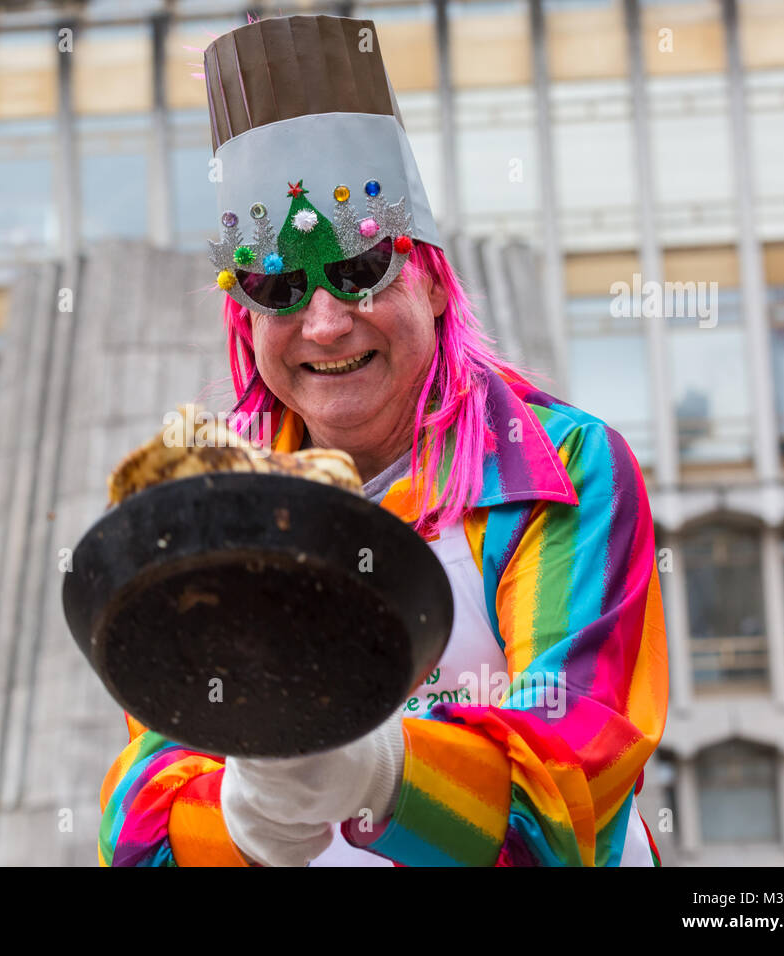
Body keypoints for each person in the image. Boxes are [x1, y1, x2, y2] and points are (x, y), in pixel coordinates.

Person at [98, 13, 669, 867]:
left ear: (433, 281)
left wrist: (379, 772)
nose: (325, 323)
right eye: (278, 285)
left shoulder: (560, 470)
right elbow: (142, 826)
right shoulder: (214, 512)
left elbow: (568, 794)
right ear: (243, 313)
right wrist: (244, 816)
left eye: (363, 268)